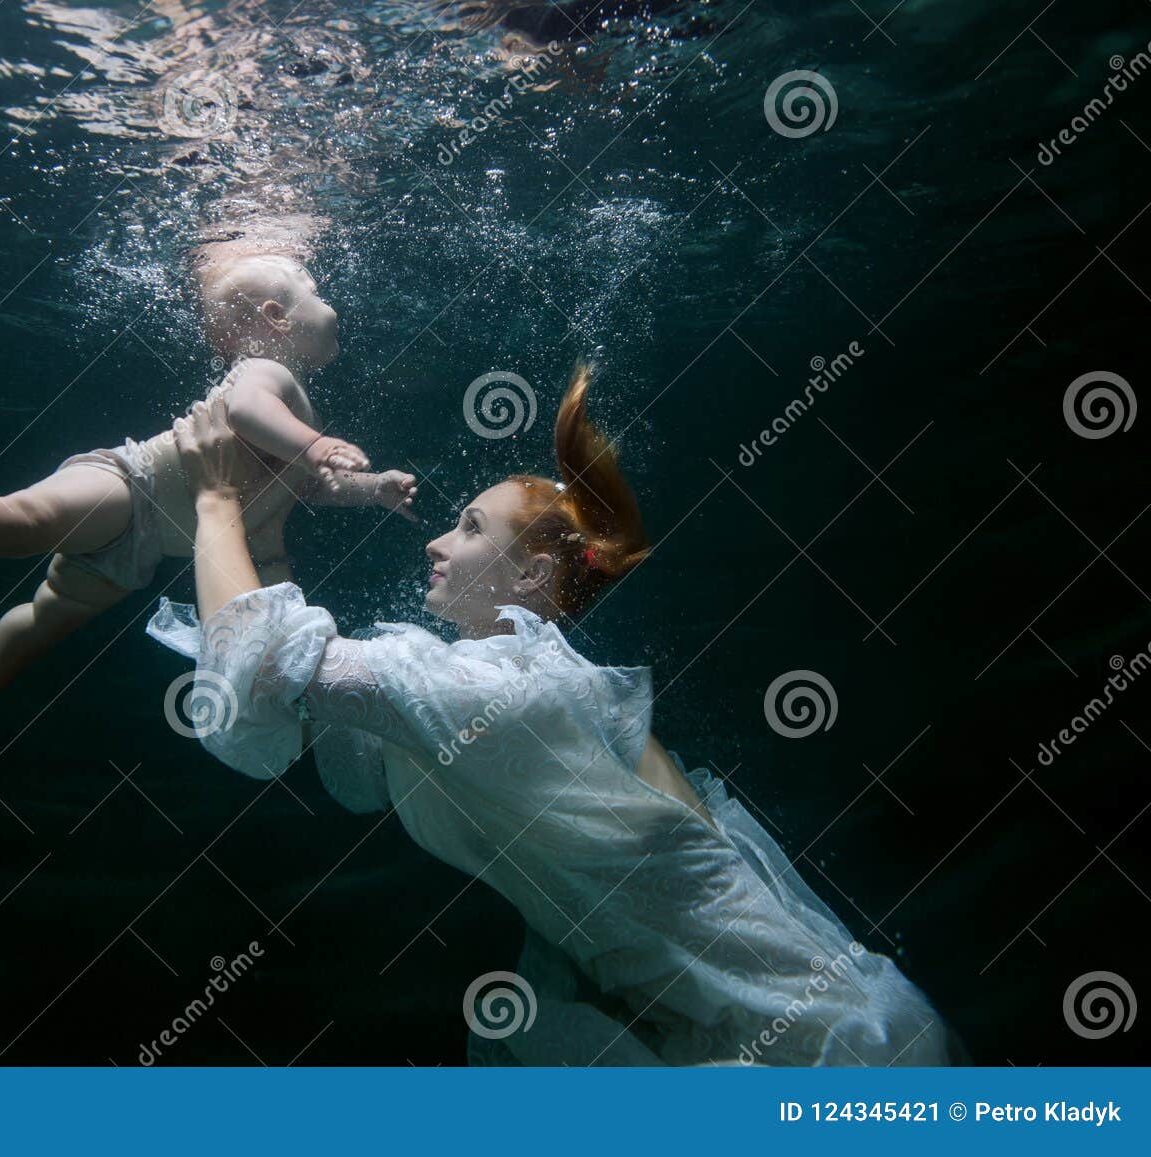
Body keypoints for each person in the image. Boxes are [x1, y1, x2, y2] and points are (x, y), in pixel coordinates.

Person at [146, 363, 966, 1066]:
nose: (435, 542)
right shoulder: (534, 686)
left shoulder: (497, 691)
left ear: (533, 576)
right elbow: (288, 678)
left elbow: (264, 669)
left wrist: (217, 500)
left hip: (827, 1056)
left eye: (468, 527)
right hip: (801, 1044)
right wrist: (264, 529)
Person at [0, 251, 418, 753]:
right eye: (317, 291)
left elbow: (306, 489)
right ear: (276, 317)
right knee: (27, 519)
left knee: (49, 617)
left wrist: (372, 490)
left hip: (144, 550)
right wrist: (315, 445)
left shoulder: (296, 403)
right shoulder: (265, 372)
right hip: (131, 485)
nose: (330, 305)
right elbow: (244, 411)